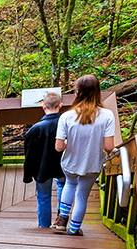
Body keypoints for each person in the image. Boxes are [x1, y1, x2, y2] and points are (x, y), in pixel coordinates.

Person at [54, 75, 115, 235]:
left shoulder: (66, 116)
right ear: (97, 92)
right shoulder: (107, 115)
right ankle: (74, 229)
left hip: (70, 163)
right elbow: (109, 146)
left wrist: (70, 142)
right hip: (92, 164)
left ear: (77, 92)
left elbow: (59, 147)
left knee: (70, 184)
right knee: (82, 195)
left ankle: (62, 219)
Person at [23, 92, 66, 228]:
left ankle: (44, 226)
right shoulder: (65, 125)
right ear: (60, 106)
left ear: (43, 107)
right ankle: (61, 219)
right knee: (63, 187)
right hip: (63, 166)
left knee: (43, 197)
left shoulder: (34, 130)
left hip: (42, 168)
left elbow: (29, 155)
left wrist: (28, 174)